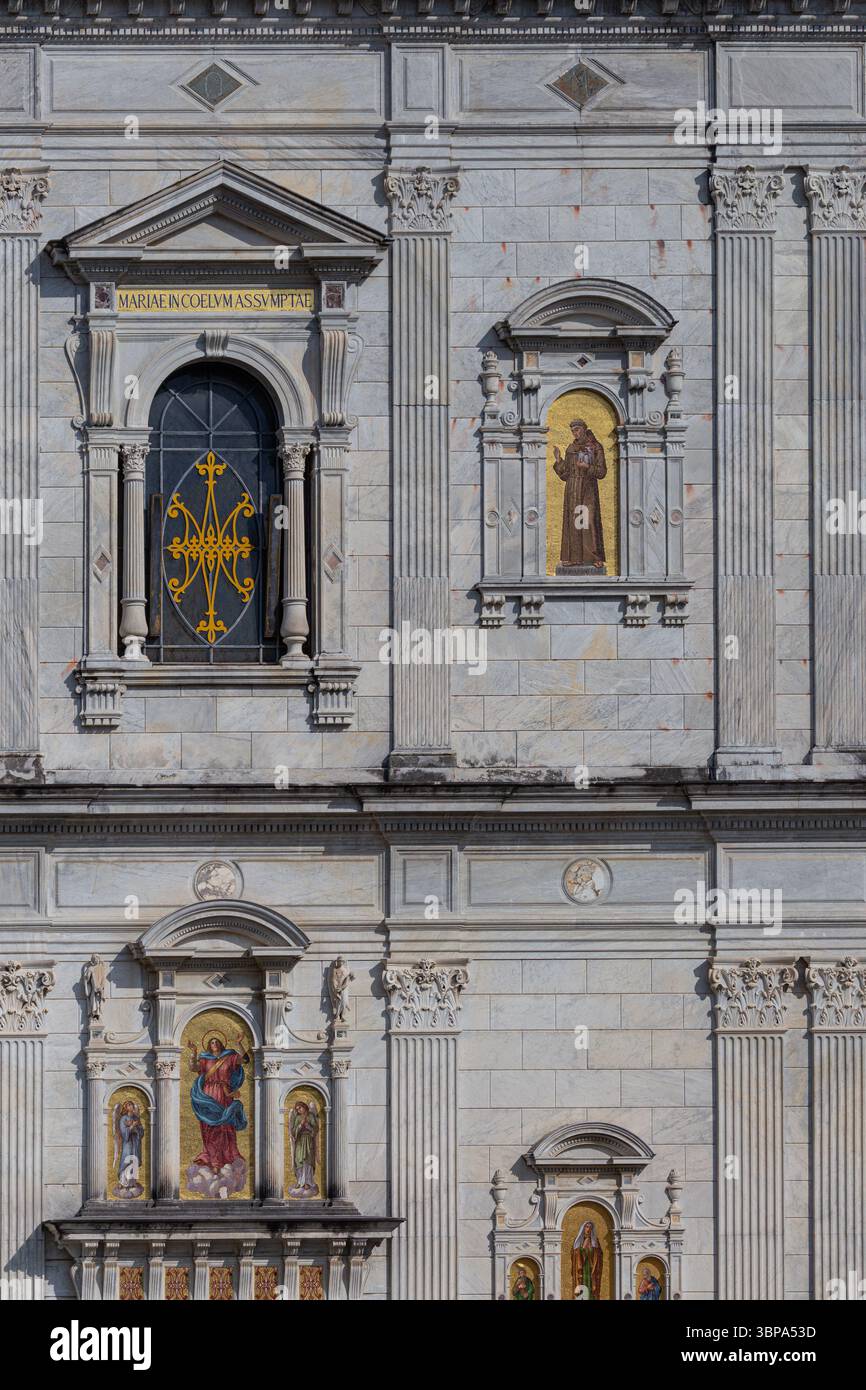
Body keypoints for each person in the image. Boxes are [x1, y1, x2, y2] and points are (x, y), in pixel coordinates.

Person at [188, 1030, 249, 1174]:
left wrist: (239, 1043)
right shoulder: (205, 1059)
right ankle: (212, 1159)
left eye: (216, 1042)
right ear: (208, 1045)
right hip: (207, 1095)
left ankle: (226, 1158)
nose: (214, 1044)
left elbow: (245, 1060)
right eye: (211, 1042)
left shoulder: (229, 1057)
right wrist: (194, 1051)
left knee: (224, 1126)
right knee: (209, 1127)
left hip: (224, 1094)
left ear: (221, 1044)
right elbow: (193, 1068)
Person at [553, 419, 607, 571]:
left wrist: (587, 467)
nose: (575, 433)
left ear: (584, 429)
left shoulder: (595, 447)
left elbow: (602, 472)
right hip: (572, 489)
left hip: (588, 489)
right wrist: (558, 460)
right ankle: (574, 558)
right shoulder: (571, 448)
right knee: (573, 522)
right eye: (572, 431)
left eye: (577, 429)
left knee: (587, 522)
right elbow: (565, 475)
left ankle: (595, 558)